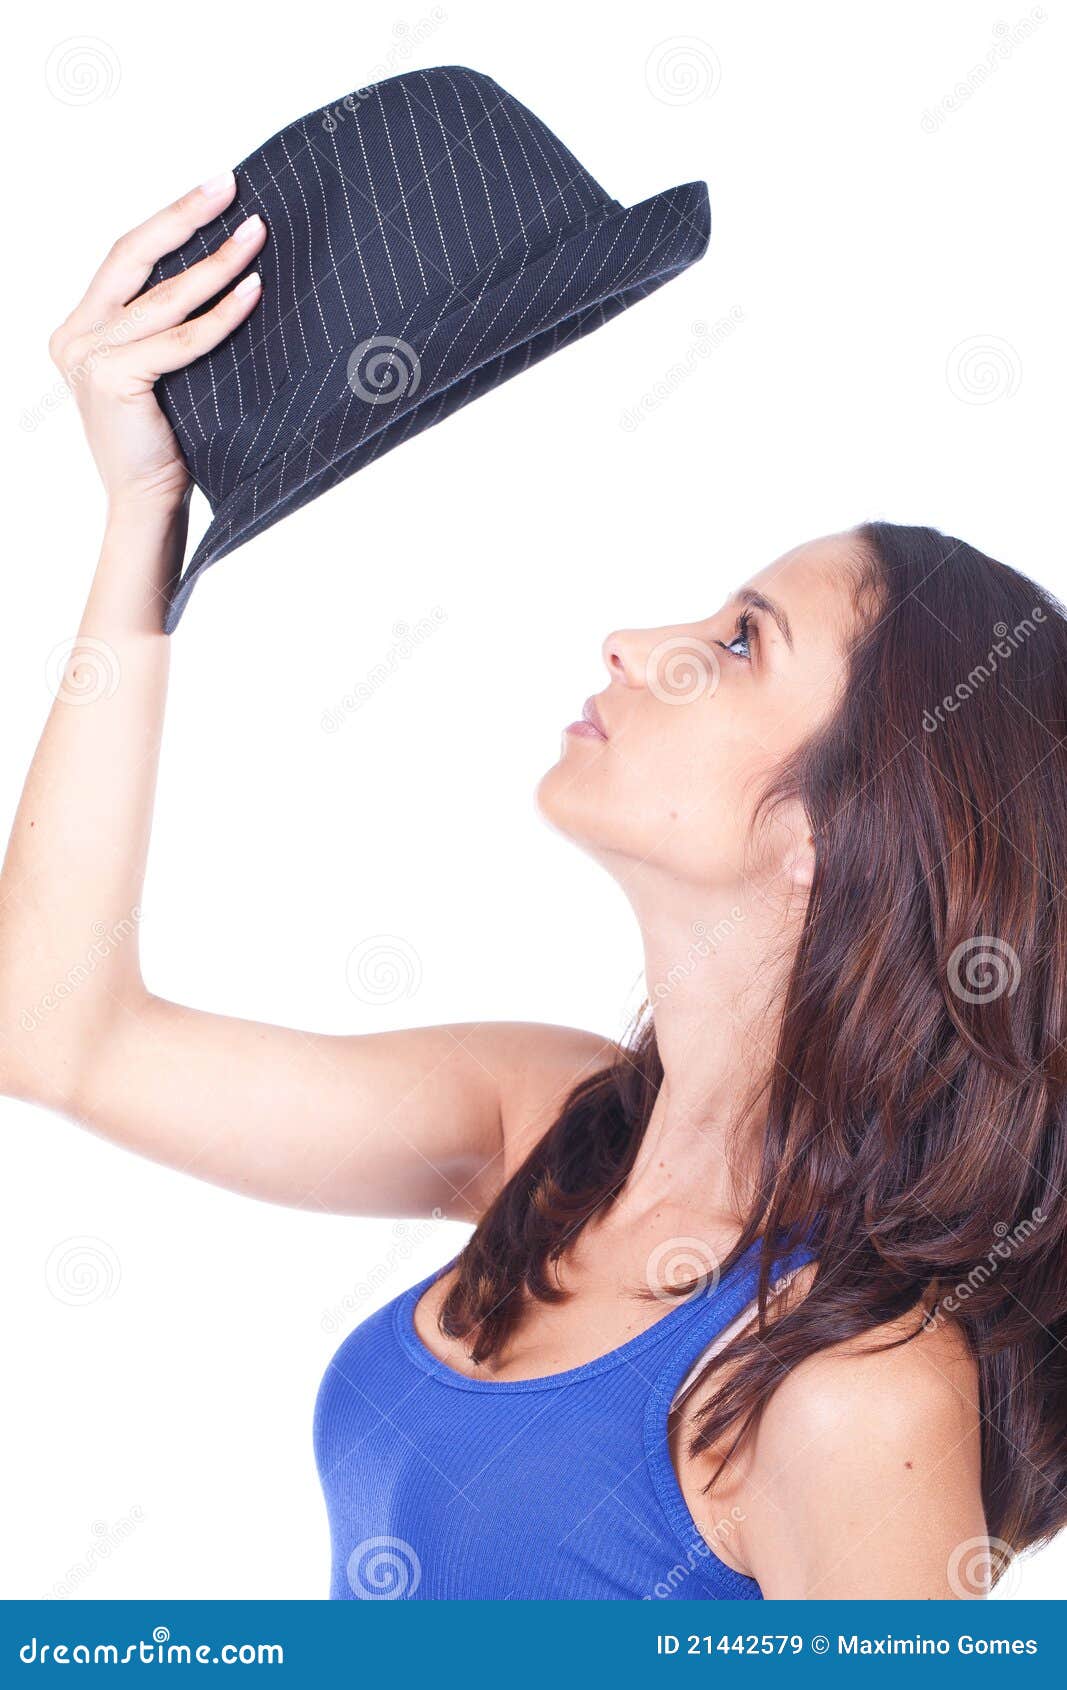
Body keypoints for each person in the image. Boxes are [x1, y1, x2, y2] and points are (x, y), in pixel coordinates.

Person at [2, 176, 1064, 1600]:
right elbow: (55, 1031)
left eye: (740, 643)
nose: (632, 640)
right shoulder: (547, 1128)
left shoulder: (855, 1394)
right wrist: (146, 517)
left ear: (840, 825)